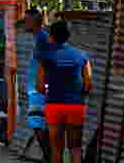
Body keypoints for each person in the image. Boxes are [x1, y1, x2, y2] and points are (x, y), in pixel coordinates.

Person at [37, 21, 92, 163]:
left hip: (54, 106)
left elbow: (40, 86)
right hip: (75, 106)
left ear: (51, 36)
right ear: (68, 35)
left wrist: (50, 89)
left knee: (56, 149)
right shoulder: (82, 55)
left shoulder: (45, 57)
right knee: (75, 148)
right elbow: (88, 85)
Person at [24, 8, 52, 163]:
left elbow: (47, 63)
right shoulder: (38, 37)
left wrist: (44, 85)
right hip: (36, 88)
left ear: (35, 21)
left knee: (37, 124)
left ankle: (48, 157)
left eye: (27, 20)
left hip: (39, 89)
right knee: (39, 124)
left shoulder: (42, 38)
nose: (25, 22)